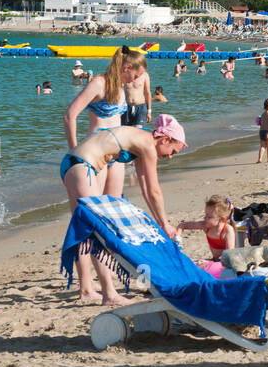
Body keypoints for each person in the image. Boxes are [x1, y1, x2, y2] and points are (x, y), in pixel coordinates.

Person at [59, 114, 188, 303]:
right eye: (172, 151)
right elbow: (154, 191)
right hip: (83, 167)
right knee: (99, 230)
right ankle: (109, 294)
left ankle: (86, 289)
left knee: (85, 231)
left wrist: (161, 222)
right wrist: (166, 224)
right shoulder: (148, 146)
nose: (169, 157)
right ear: (165, 138)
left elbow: (145, 188)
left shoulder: (141, 138)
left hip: (72, 164)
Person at [64, 48, 147, 197]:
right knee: (96, 206)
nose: (135, 80)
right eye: (135, 75)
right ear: (127, 68)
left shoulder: (121, 88)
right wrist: (74, 152)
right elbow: (69, 115)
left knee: (114, 203)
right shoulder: (98, 83)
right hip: (96, 153)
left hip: (116, 154)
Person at [179, 195, 237, 260]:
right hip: (215, 259)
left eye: (209, 217)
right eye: (205, 215)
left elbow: (229, 253)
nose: (205, 218)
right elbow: (183, 225)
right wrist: (177, 238)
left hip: (227, 262)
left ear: (221, 219)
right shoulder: (206, 225)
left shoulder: (228, 231)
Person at [122, 61, 152, 128]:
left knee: (138, 129)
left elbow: (147, 93)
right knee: (125, 131)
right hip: (126, 106)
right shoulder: (125, 74)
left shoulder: (145, 75)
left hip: (140, 107)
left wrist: (149, 111)